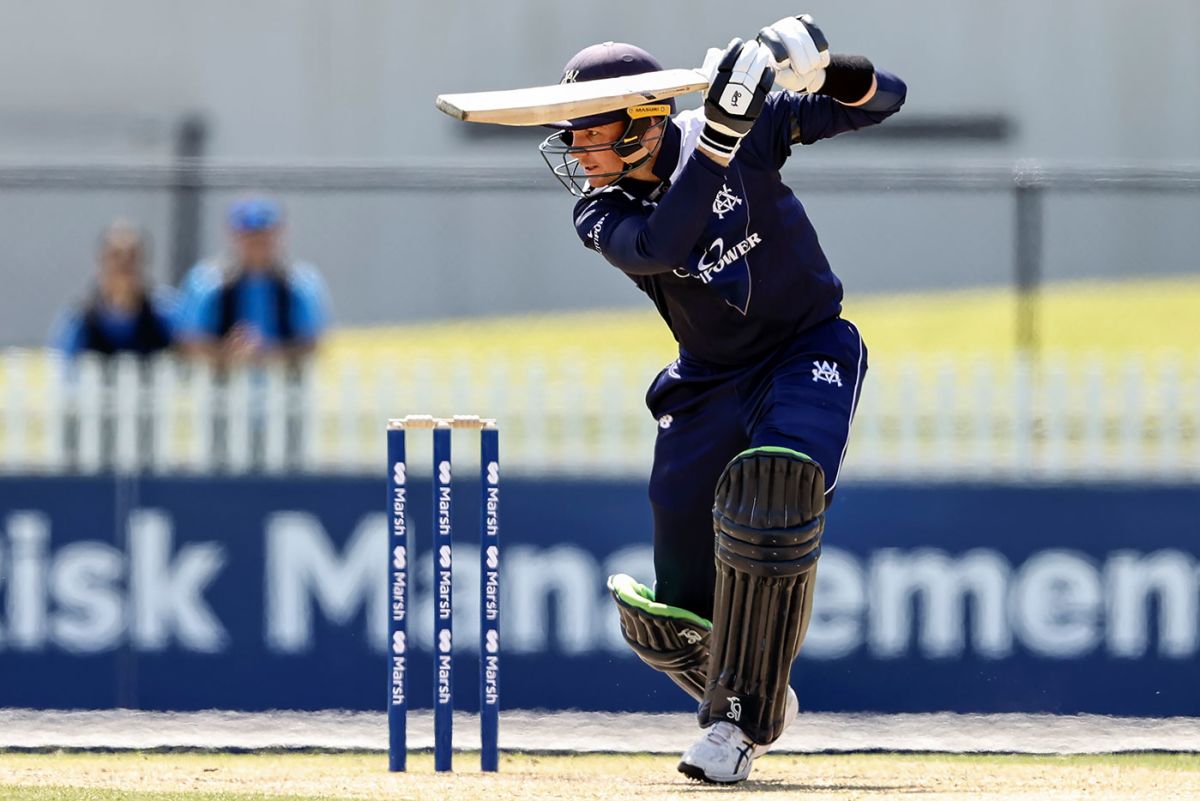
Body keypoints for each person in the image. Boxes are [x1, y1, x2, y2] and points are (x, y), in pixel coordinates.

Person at [537, 16, 906, 783]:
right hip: (705, 382)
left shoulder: (743, 125)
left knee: (775, 490)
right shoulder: (599, 210)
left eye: (591, 132)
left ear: (645, 123)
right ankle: (746, 681)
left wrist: (824, 68)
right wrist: (716, 144)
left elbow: (883, 99)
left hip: (805, 349)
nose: (578, 150)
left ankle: (736, 722)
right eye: (572, 134)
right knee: (672, 613)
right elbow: (661, 246)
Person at [177, 195, 329, 370]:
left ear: (281, 234)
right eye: (250, 236)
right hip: (219, 381)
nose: (257, 243)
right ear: (233, 235)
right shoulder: (206, 281)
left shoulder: (301, 283)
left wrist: (269, 355)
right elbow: (188, 340)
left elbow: (314, 340)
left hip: (285, 381)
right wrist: (227, 354)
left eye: (264, 235)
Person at [51, 221, 177, 358]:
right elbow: (62, 364)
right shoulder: (79, 320)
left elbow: (188, 354)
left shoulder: (166, 312)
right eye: (116, 255)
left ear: (145, 262)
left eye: (132, 256)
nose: (124, 263)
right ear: (101, 262)